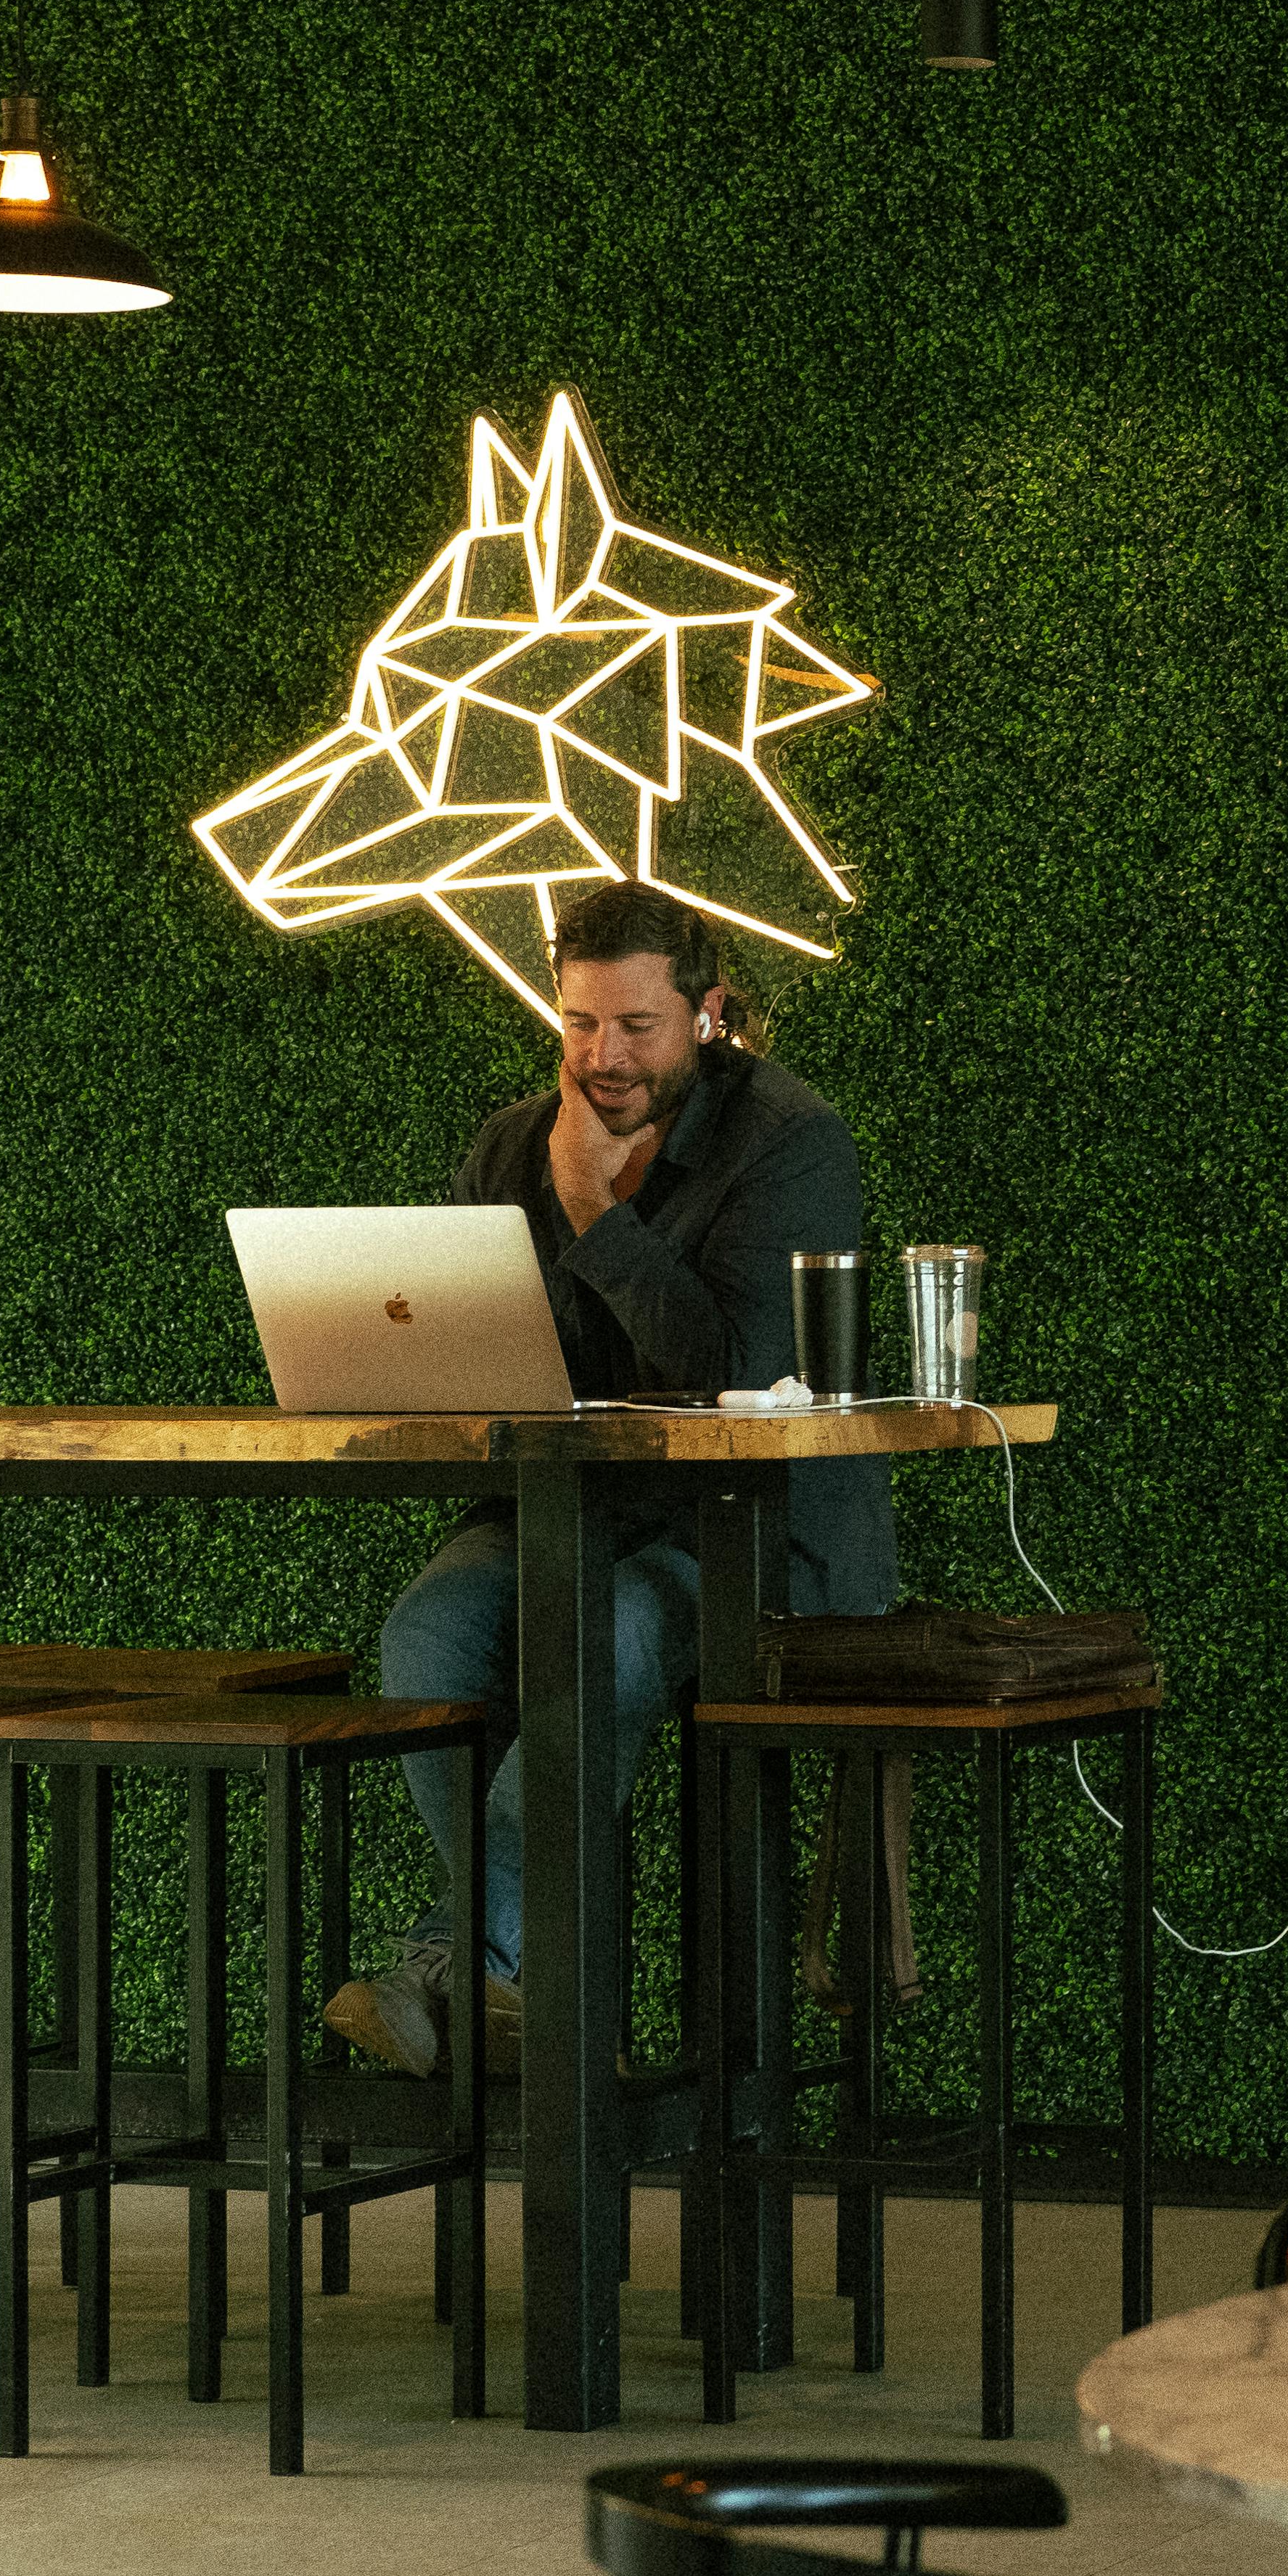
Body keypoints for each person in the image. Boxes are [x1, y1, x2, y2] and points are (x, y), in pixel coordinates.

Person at [326, 882, 890, 2076]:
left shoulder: (789, 1142)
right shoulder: (510, 1144)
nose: (604, 1057)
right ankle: (521, 1984)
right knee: (429, 1629)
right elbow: (473, 1352)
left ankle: (471, 1963)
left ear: (708, 1012)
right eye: (580, 1023)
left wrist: (594, 1213)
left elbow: (743, 1376)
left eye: (637, 1025)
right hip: (565, 1512)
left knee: (609, 1625)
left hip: (757, 1534)